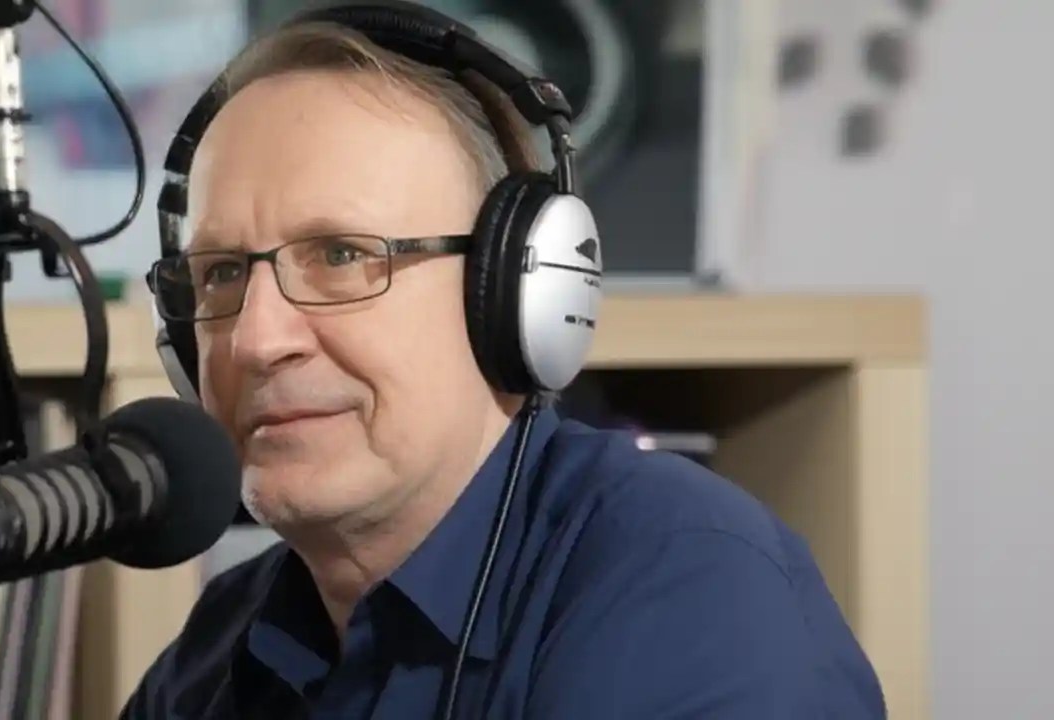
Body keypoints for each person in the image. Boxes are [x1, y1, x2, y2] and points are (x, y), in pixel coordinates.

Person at [124, 3, 886, 718]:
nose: (257, 340)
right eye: (221, 272)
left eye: (342, 255)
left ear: (518, 292)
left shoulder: (690, 588)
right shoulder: (219, 645)